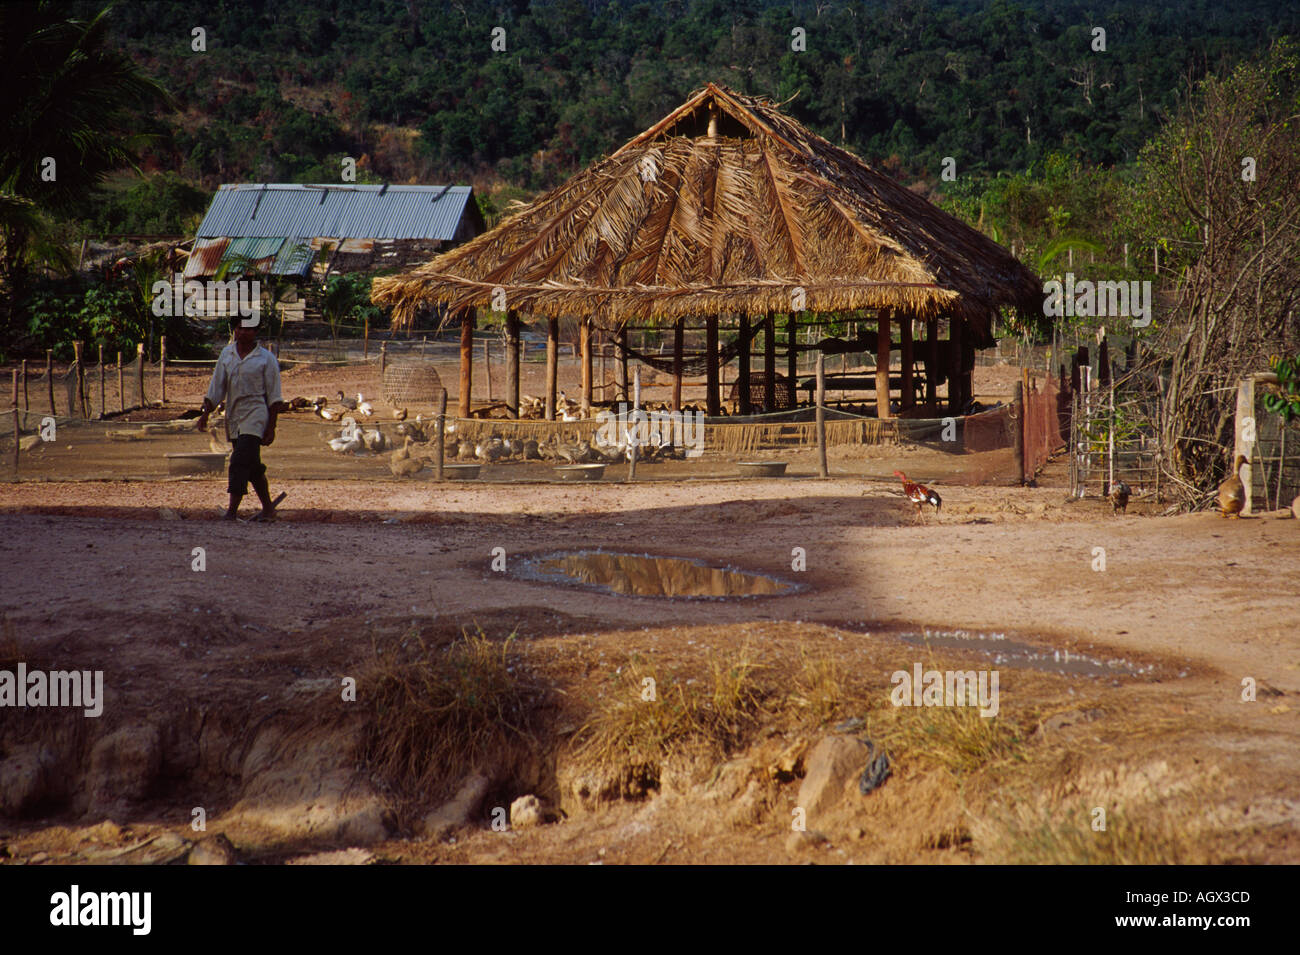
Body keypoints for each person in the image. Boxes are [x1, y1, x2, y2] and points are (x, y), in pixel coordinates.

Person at [196, 318, 286, 521]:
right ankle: (269, 509)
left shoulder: (266, 358)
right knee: (252, 465)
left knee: (238, 461)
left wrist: (271, 428)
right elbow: (217, 386)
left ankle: (232, 511)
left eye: (248, 329)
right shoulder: (227, 355)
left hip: (256, 413)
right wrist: (205, 413)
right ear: (235, 330)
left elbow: (274, 396)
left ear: (255, 332)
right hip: (234, 414)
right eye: (240, 328)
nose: (243, 333)